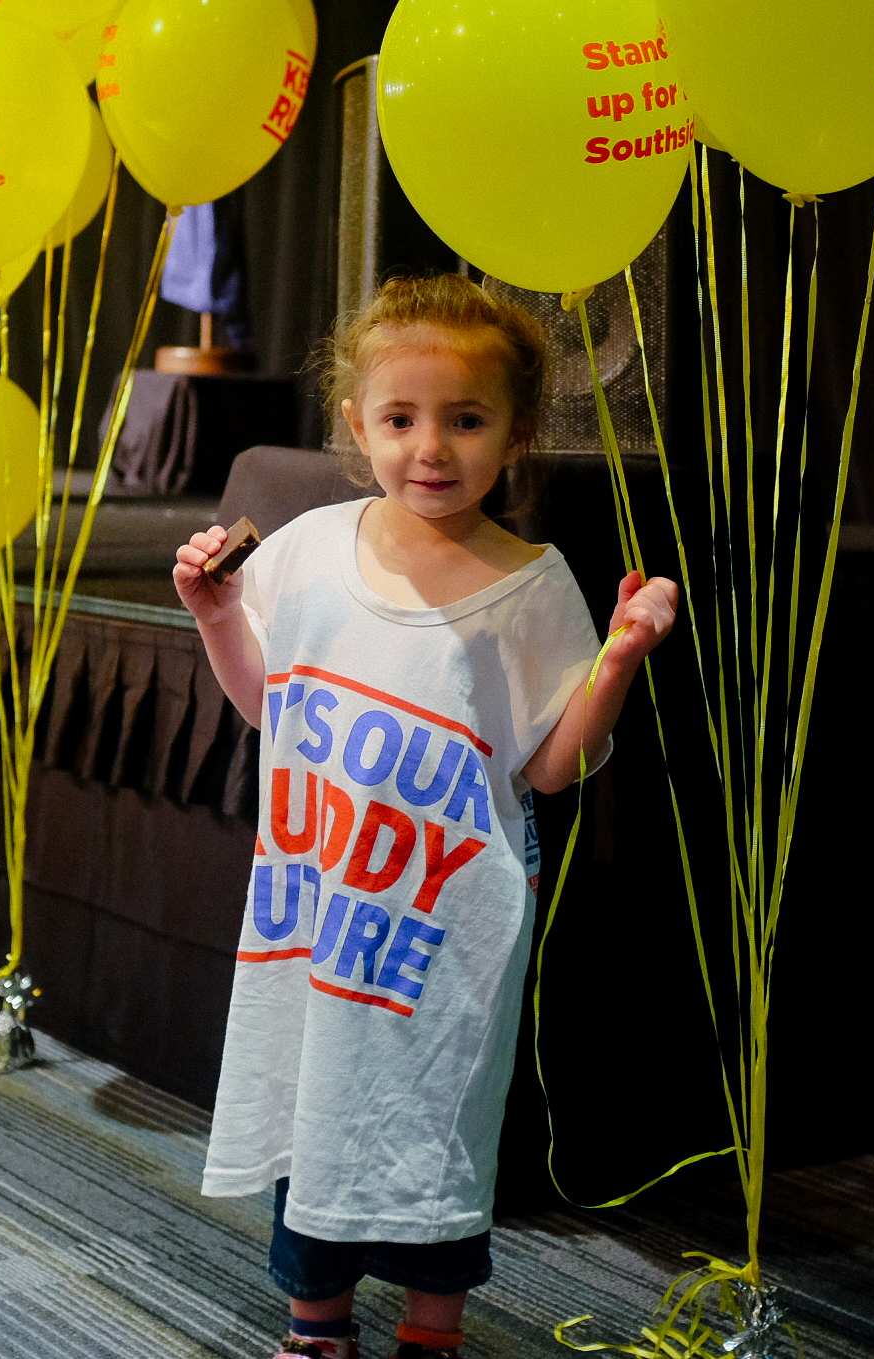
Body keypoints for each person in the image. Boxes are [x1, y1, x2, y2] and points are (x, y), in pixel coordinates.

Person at [171, 274, 678, 1359]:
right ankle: (315, 1329)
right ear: (356, 426)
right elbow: (271, 706)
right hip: (323, 907)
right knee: (314, 1103)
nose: (430, 448)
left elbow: (551, 769)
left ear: (517, 432)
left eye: (465, 419)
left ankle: (430, 1334)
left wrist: (618, 660)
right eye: (399, 419)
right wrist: (218, 615)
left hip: (446, 924)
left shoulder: (530, 583)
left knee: (435, 1112)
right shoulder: (308, 548)